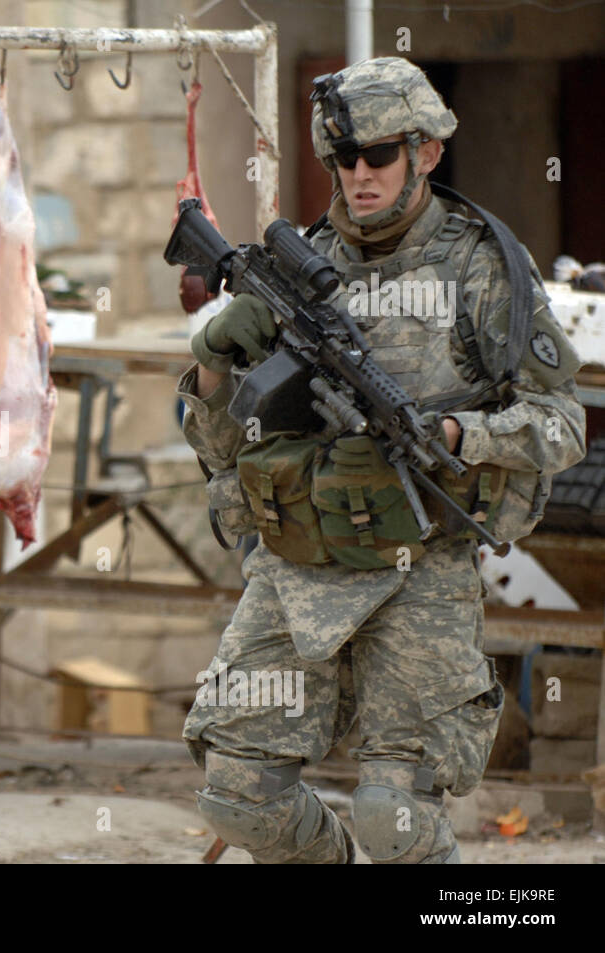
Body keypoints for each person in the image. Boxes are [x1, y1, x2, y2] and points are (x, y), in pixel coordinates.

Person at [177, 57, 586, 864]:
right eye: (345, 160)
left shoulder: (483, 267)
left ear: (428, 151)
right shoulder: (293, 274)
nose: (360, 176)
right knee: (236, 796)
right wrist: (214, 367)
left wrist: (469, 437)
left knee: (391, 816)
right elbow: (222, 450)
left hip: (420, 562)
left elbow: (562, 420)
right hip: (298, 563)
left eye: (381, 155)